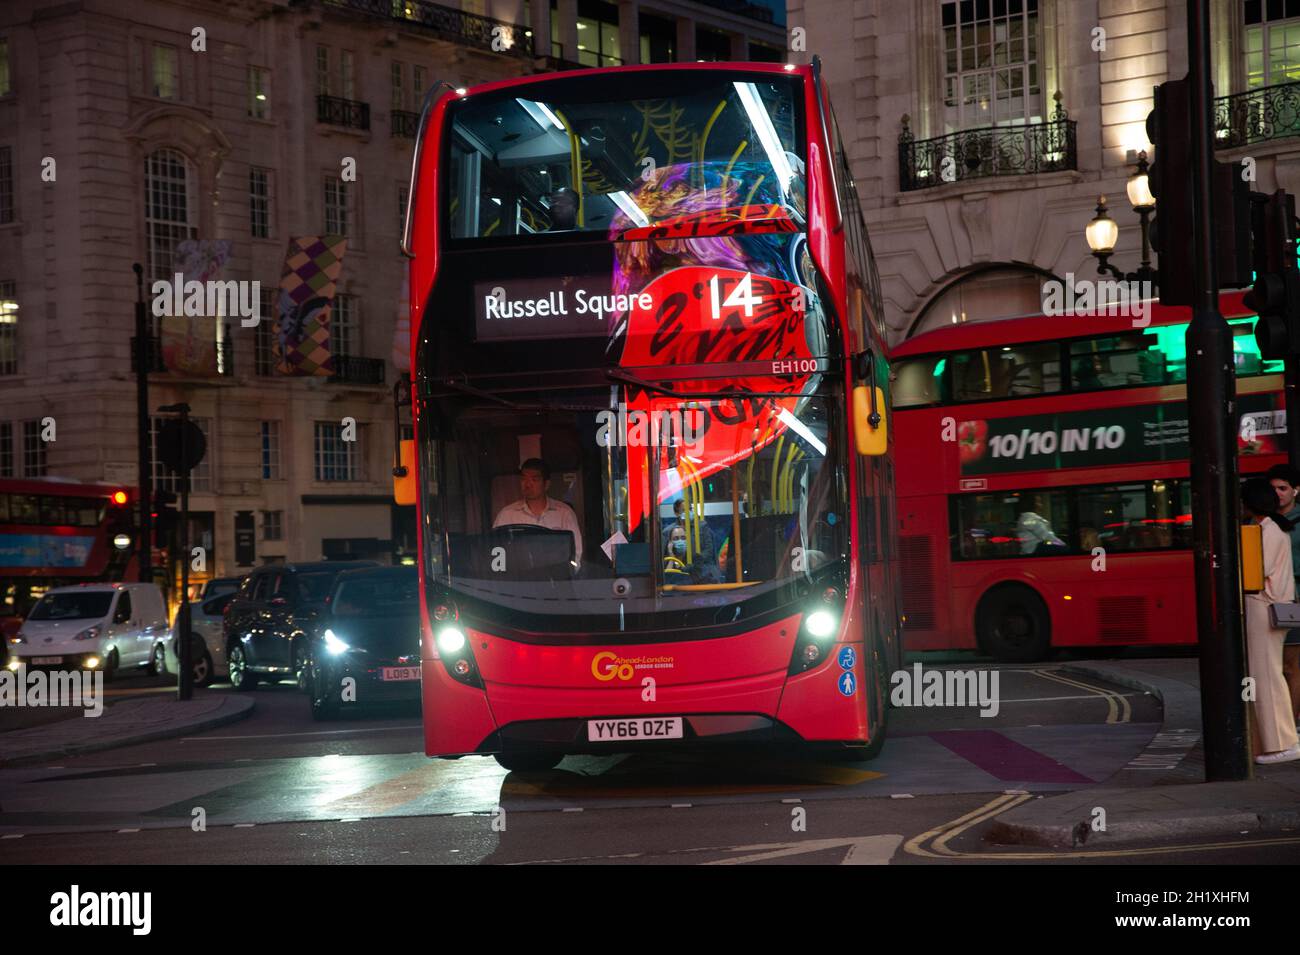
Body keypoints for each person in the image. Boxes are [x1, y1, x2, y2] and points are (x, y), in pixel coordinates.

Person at [1240, 477, 1300, 764]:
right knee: (1265, 675)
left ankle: (1282, 743)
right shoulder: (1271, 529)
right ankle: (1269, 742)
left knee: (1266, 676)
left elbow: (1254, 572)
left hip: (1262, 606)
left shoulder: (1266, 532)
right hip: (1270, 607)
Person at [493, 458, 583, 564]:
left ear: (546, 484)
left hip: (556, 577)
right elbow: (495, 549)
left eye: (534, 480)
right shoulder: (507, 514)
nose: (527, 484)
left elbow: (576, 552)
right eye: (523, 479)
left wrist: (564, 574)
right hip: (518, 577)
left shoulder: (564, 513)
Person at [1267, 463, 1300, 728]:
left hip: (1295, 600)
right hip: (1273, 599)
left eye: (1283, 488)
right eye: (1273, 488)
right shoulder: (1264, 520)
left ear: (1296, 491)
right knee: (1276, 668)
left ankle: (1290, 724)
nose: (1278, 493)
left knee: (1291, 666)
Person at [667, 499, 723, 584]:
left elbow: (709, 550)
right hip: (682, 573)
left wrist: (696, 562)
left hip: (703, 571)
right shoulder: (671, 531)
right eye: (684, 510)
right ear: (677, 513)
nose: (688, 512)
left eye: (690, 509)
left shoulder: (702, 527)